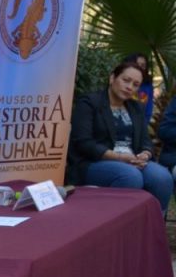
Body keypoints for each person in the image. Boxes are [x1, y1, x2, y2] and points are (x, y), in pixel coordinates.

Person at [67, 60, 173, 213]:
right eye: (126, 80)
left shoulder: (136, 107)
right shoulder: (90, 103)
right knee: (130, 176)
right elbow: (83, 143)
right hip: (95, 162)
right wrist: (119, 157)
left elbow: (146, 141)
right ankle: (119, 228)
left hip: (132, 160)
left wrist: (145, 154)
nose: (130, 87)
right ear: (112, 78)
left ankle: (153, 228)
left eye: (136, 84)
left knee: (162, 177)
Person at [123, 52, 154, 123]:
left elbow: (148, 110)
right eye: (136, 64)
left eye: (143, 65)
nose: (139, 68)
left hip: (140, 126)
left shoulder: (147, 85)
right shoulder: (121, 83)